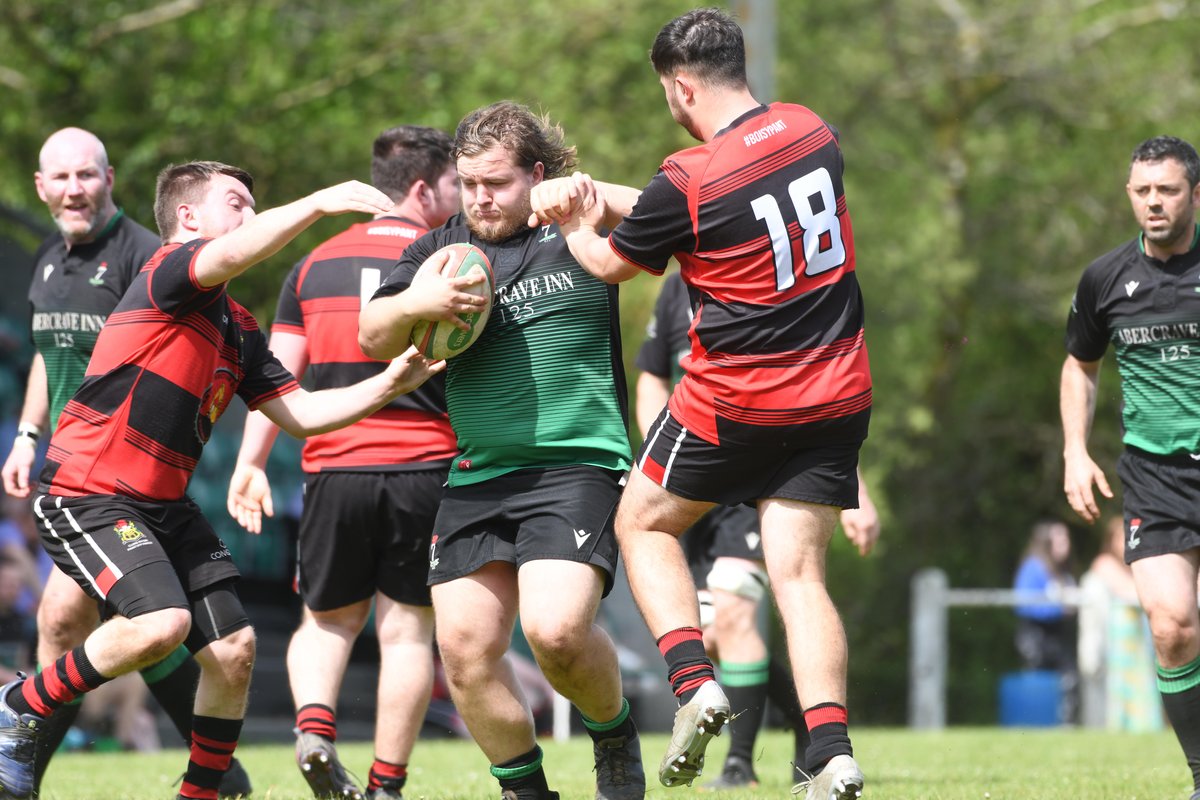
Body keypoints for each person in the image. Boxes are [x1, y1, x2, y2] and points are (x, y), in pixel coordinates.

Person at [0, 160, 443, 800]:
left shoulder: (237, 324)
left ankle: (204, 793)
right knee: (161, 626)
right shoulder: (170, 272)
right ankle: (21, 702)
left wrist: (390, 383)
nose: (250, 217)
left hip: (163, 505)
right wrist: (318, 200)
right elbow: (234, 248)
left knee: (234, 649)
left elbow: (305, 415)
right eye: (236, 202)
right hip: (91, 491)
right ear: (188, 218)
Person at [528, 9, 872, 799]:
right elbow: (699, 206)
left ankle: (693, 681)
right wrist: (607, 196)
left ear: (681, 87)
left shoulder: (688, 176)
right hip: (839, 392)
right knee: (800, 577)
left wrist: (578, 221)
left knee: (643, 523)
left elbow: (612, 263)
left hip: (741, 400)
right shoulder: (810, 130)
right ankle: (830, 753)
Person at [357, 101, 645, 800]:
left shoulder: (579, 223)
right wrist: (414, 305)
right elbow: (371, 335)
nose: (481, 198)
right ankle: (526, 790)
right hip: (479, 473)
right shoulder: (441, 250)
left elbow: (691, 216)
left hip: (577, 463)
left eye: (498, 183)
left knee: (556, 632)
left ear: (535, 174)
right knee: (462, 651)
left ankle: (612, 732)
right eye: (470, 183)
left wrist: (590, 195)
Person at [0, 127, 252, 797]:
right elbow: (43, 355)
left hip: (115, 479)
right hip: (67, 468)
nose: (75, 189)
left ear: (110, 177)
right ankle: (218, 771)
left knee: (89, 622)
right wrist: (28, 433)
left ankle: (15, 766)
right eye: (61, 178)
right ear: (40, 187)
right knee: (116, 624)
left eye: (87, 175)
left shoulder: (150, 254)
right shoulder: (51, 259)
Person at [226, 125, 461, 800]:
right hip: (425, 469)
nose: (461, 196)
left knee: (325, 623)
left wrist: (251, 464)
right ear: (422, 187)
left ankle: (315, 730)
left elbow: (276, 379)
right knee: (408, 634)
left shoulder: (311, 266)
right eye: (453, 183)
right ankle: (386, 787)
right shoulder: (449, 264)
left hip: (332, 472)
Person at [635, 272, 879, 788]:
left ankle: (740, 765)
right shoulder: (678, 285)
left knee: (737, 602)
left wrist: (858, 492)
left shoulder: (775, 269)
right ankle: (807, 721)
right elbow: (653, 373)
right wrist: (658, 458)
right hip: (696, 467)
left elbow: (823, 394)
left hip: (764, 469)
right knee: (714, 631)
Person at [1061, 134, 1200, 799]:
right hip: (1155, 477)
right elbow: (1080, 366)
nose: (1154, 202)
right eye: (1143, 191)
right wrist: (1074, 451)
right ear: (1129, 195)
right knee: (1171, 625)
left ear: (1195, 195)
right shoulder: (1106, 279)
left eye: (1168, 190)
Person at [1012, 519, 1078, 723]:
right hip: (1036, 636)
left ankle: (1065, 726)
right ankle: (1034, 724)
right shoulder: (1033, 567)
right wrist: (1058, 609)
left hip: (1059, 635)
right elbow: (1023, 603)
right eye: (1059, 539)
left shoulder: (1062, 570)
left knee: (1069, 682)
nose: (1065, 543)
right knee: (1038, 684)